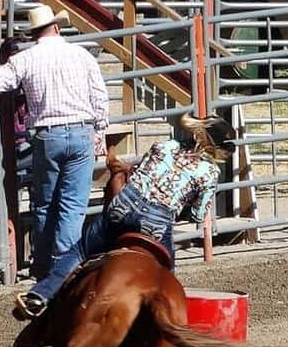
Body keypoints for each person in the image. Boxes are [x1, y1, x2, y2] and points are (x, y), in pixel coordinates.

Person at [15, 114, 233, 320]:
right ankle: (165, 322)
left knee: (80, 251)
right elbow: (198, 214)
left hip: (124, 204)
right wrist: (181, 207)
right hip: (157, 222)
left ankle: (40, 295)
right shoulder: (210, 172)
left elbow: (140, 173)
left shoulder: (166, 146)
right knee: (167, 276)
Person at [0, 4, 108, 290]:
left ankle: (45, 266)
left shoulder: (26, 59)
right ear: (57, 27)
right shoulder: (81, 54)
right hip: (81, 130)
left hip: (48, 134)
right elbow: (99, 96)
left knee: (45, 202)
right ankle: (64, 265)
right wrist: (99, 130)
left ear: (34, 33)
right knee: (73, 205)